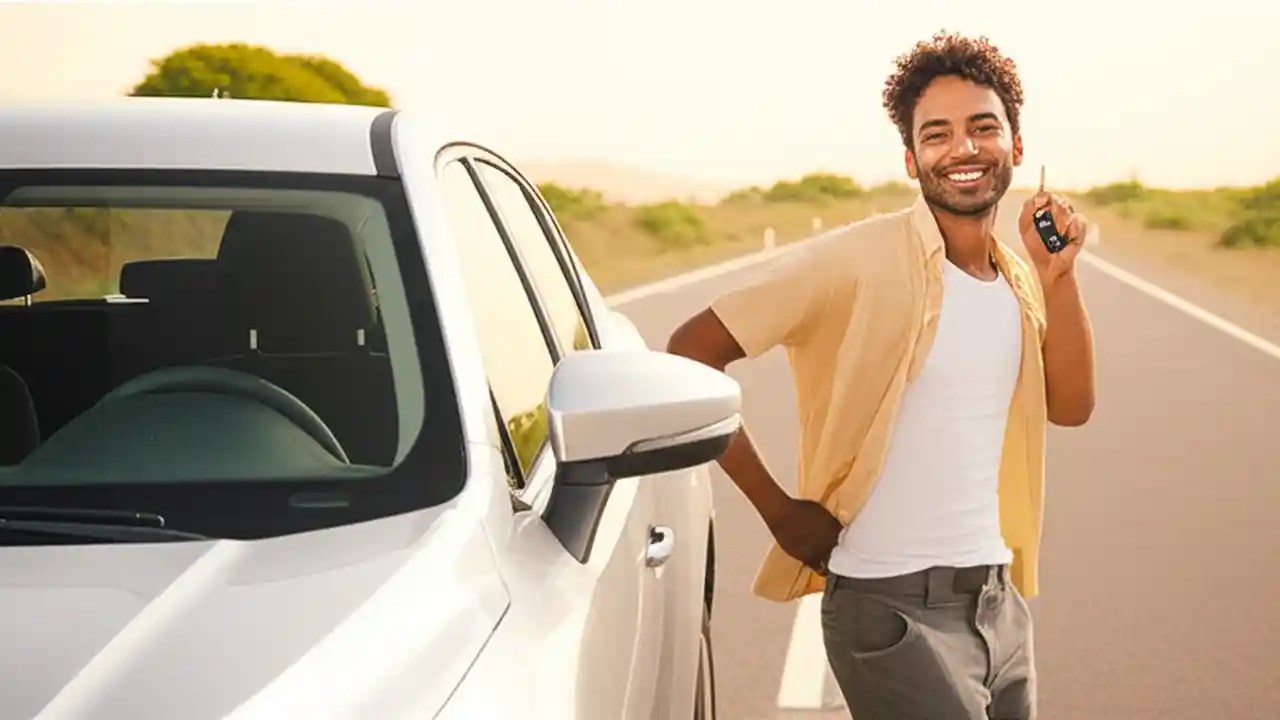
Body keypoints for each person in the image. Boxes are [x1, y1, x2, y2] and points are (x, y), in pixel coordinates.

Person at [665, 31, 1097, 720]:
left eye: (983, 128)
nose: (962, 148)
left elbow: (1072, 407)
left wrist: (1059, 274)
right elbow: (690, 350)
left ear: (1016, 146)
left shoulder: (1017, 280)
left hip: (999, 607)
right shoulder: (856, 259)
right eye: (938, 134)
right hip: (888, 611)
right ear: (911, 157)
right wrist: (778, 511)